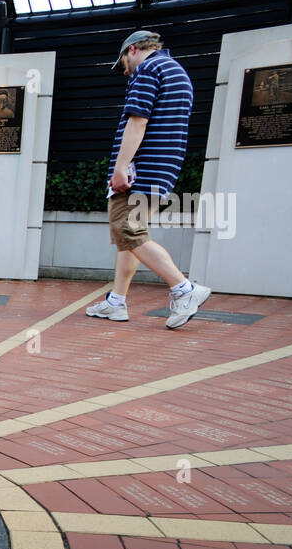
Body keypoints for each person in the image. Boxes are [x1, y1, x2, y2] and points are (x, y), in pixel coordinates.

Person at [86, 30, 210, 329]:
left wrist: (121, 167)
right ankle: (116, 302)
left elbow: (138, 120)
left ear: (132, 50)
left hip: (141, 168)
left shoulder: (148, 69)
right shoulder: (176, 71)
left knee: (125, 229)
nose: (125, 71)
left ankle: (184, 289)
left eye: (123, 64)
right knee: (131, 236)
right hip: (162, 168)